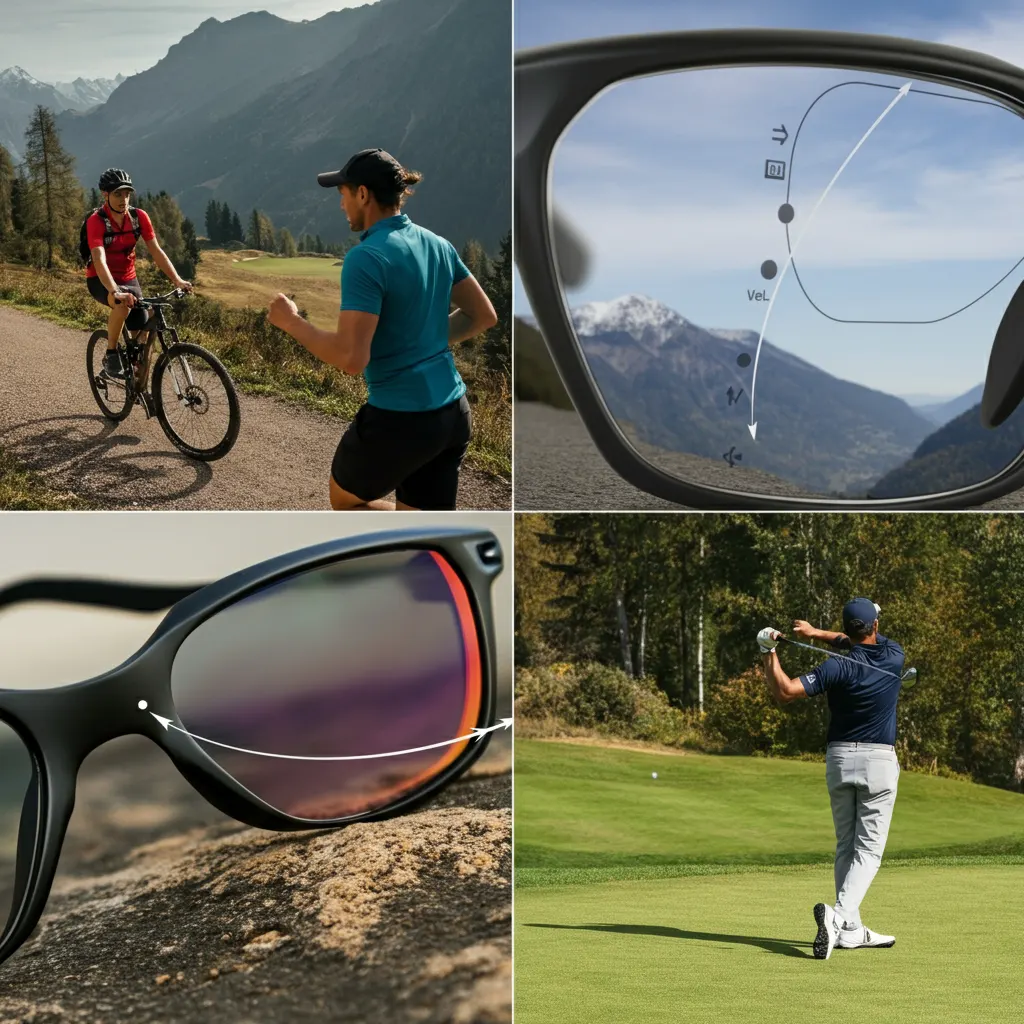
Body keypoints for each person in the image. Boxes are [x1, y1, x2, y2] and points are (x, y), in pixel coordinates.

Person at [266, 148, 497, 511]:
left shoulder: (367, 257)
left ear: (362, 194)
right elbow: (483, 316)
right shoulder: (438, 245)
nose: (341, 204)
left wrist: (291, 322)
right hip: (453, 413)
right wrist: (424, 340)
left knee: (345, 502)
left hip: (400, 419)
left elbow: (350, 358)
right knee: (422, 526)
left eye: (343, 193)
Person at [756, 598, 905, 960]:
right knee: (868, 852)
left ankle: (851, 930)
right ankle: (838, 917)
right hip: (878, 762)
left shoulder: (836, 666)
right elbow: (848, 639)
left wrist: (768, 651)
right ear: (875, 627)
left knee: (846, 846)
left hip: (839, 759)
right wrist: (817, 634)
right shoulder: (894, 656)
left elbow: (785, 692)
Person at [84, 168, 193, 380]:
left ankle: (137, 380)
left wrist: (177, 280)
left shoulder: (139, 217)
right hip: (100, 279)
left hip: (129, 277)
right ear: (105, 194)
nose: (123, 199)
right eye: (117, 194)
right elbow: (99, 259)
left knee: (142, 336)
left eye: (127, 194)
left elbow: (156, 251)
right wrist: (115, 291)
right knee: (122, 305)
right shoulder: (96, 221)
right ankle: (111, 354)